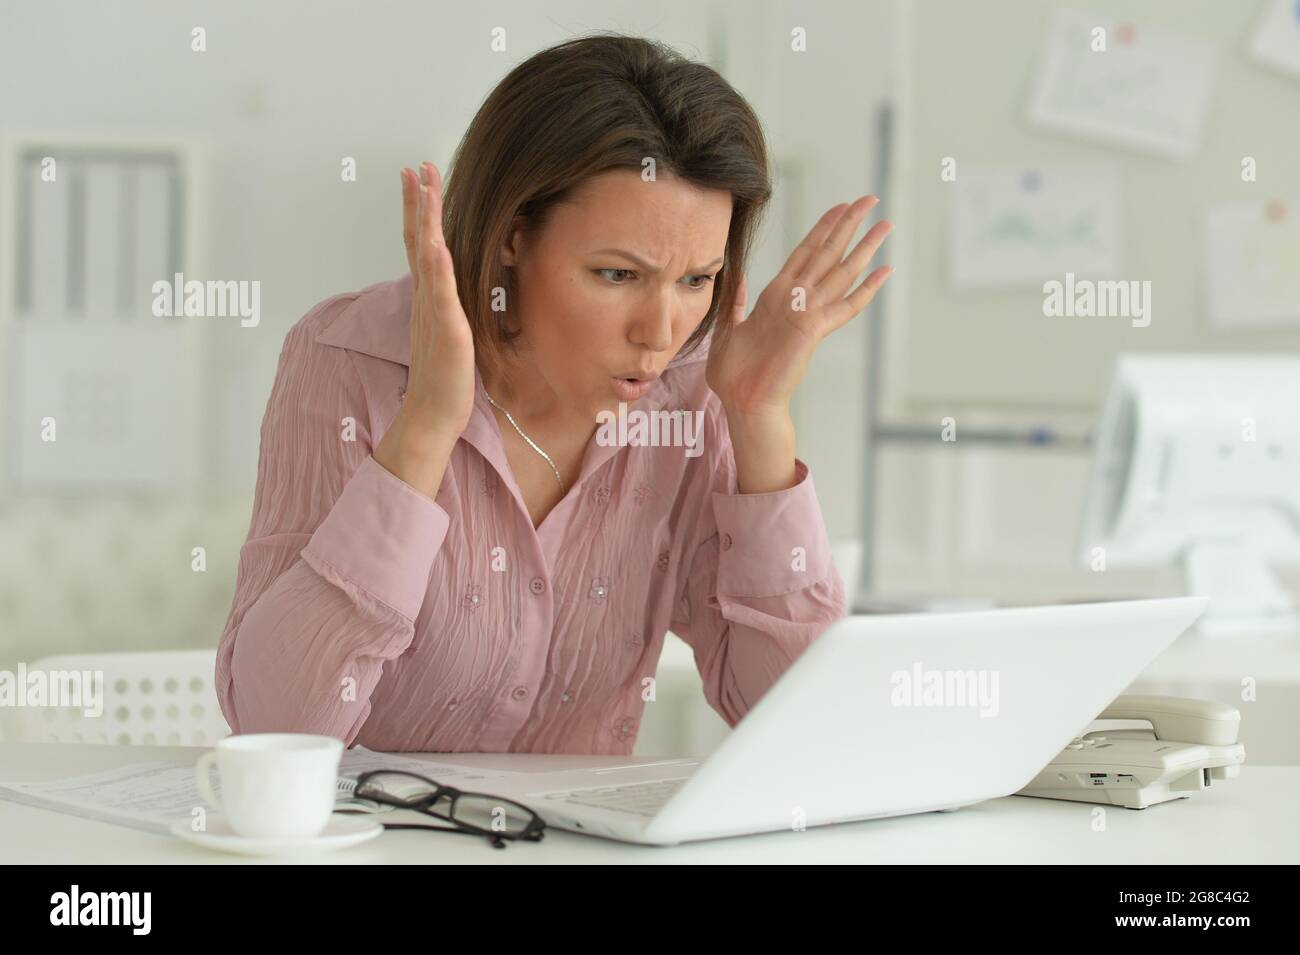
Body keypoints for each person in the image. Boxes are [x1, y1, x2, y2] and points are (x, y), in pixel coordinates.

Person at [215, 34, 893, 754]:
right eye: (616, 275)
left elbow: (800, 724)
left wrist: (758, 419)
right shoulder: (349, 360)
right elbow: (277, 728)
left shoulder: (694, 399)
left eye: (696, 280)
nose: (659, 333)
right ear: (513, 235)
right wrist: (422, 433)